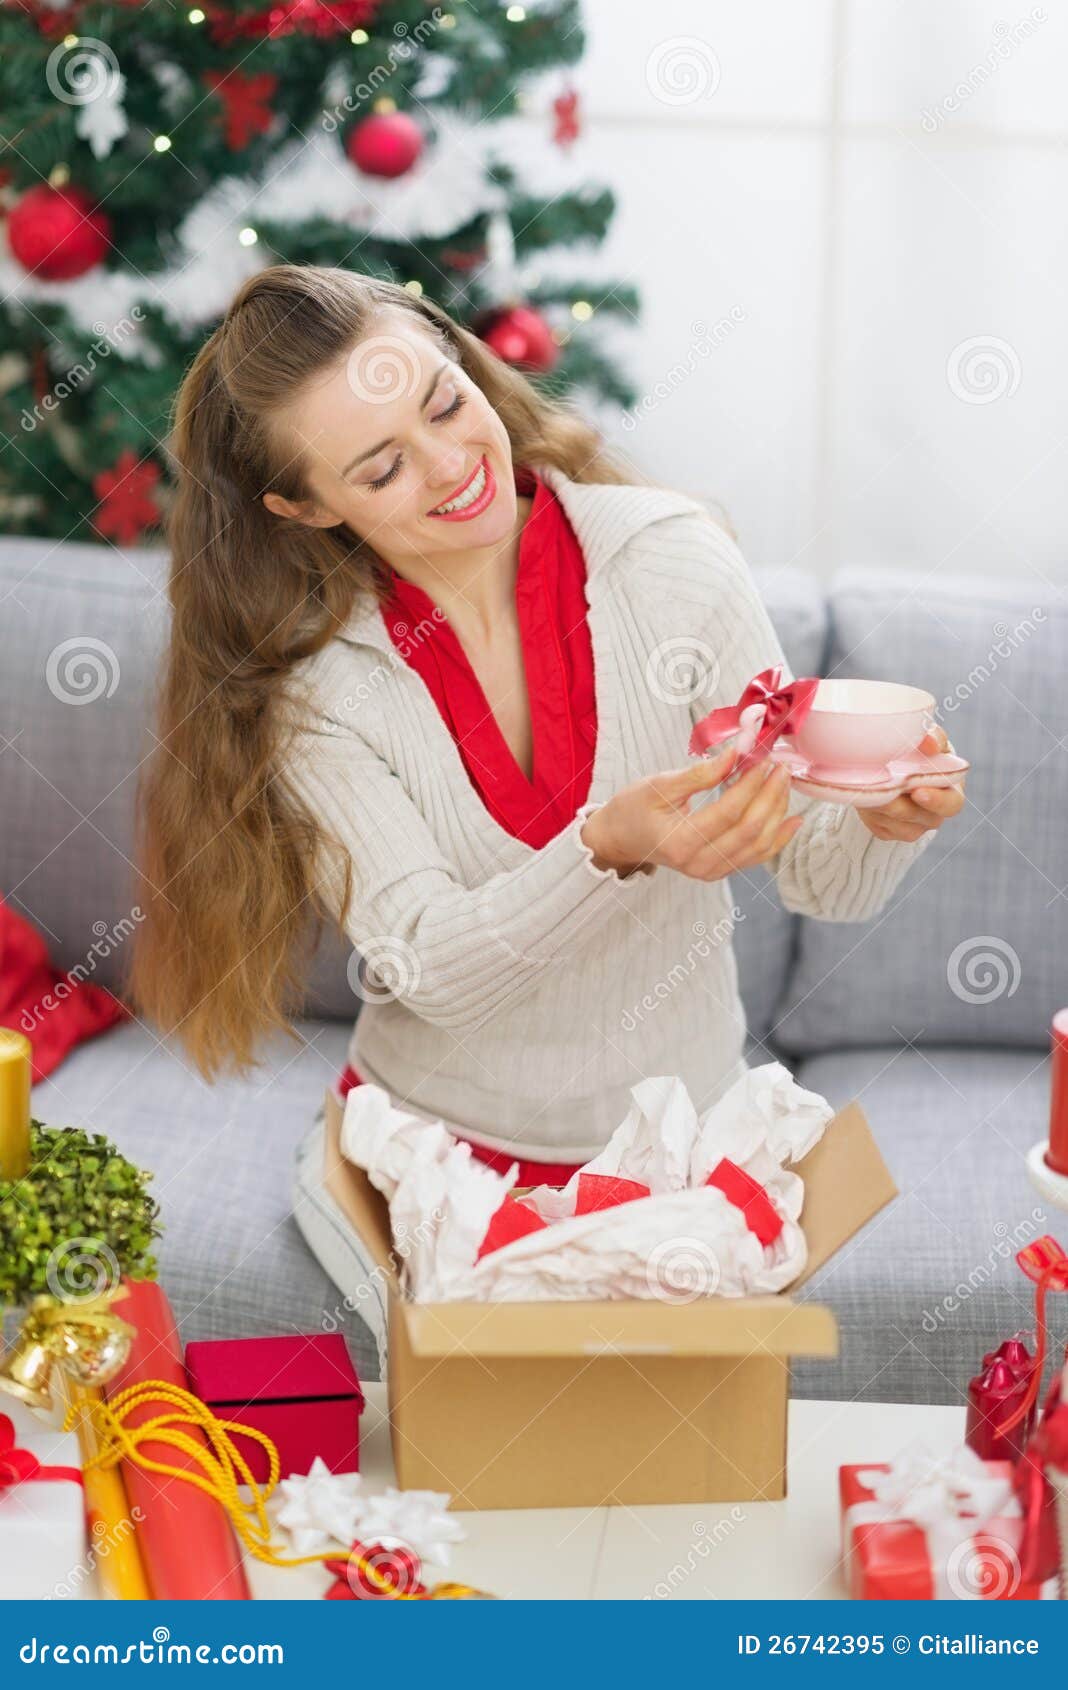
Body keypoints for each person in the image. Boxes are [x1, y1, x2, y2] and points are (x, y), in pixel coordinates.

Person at [130, 264, 964, 1245]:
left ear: (465, 360)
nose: (449, 464)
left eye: (445, 404)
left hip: (676, 1159)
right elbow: (428, 962)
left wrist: (882, 815)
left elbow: (828, 882)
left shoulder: (671, 561)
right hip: (431, 1168)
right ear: (305, 507)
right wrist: (604, 847)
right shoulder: (318, 692)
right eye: (381, 468)